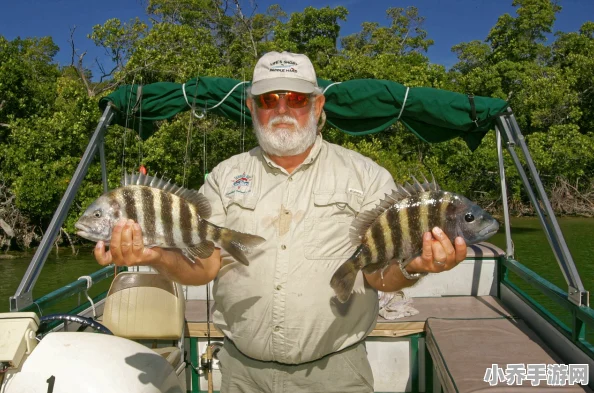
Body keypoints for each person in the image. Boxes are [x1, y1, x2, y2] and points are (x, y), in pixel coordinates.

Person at [94, 51, 467, 393]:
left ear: (318, 105)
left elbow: (376, 275)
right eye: (269, 99)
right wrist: (155, 257)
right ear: (252, 106)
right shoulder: (226, 176)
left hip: (337, 374)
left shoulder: (366, 176)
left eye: (298, 99)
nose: (283, 109)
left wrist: (416, 268)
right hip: (242, 373)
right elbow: (204, 266)